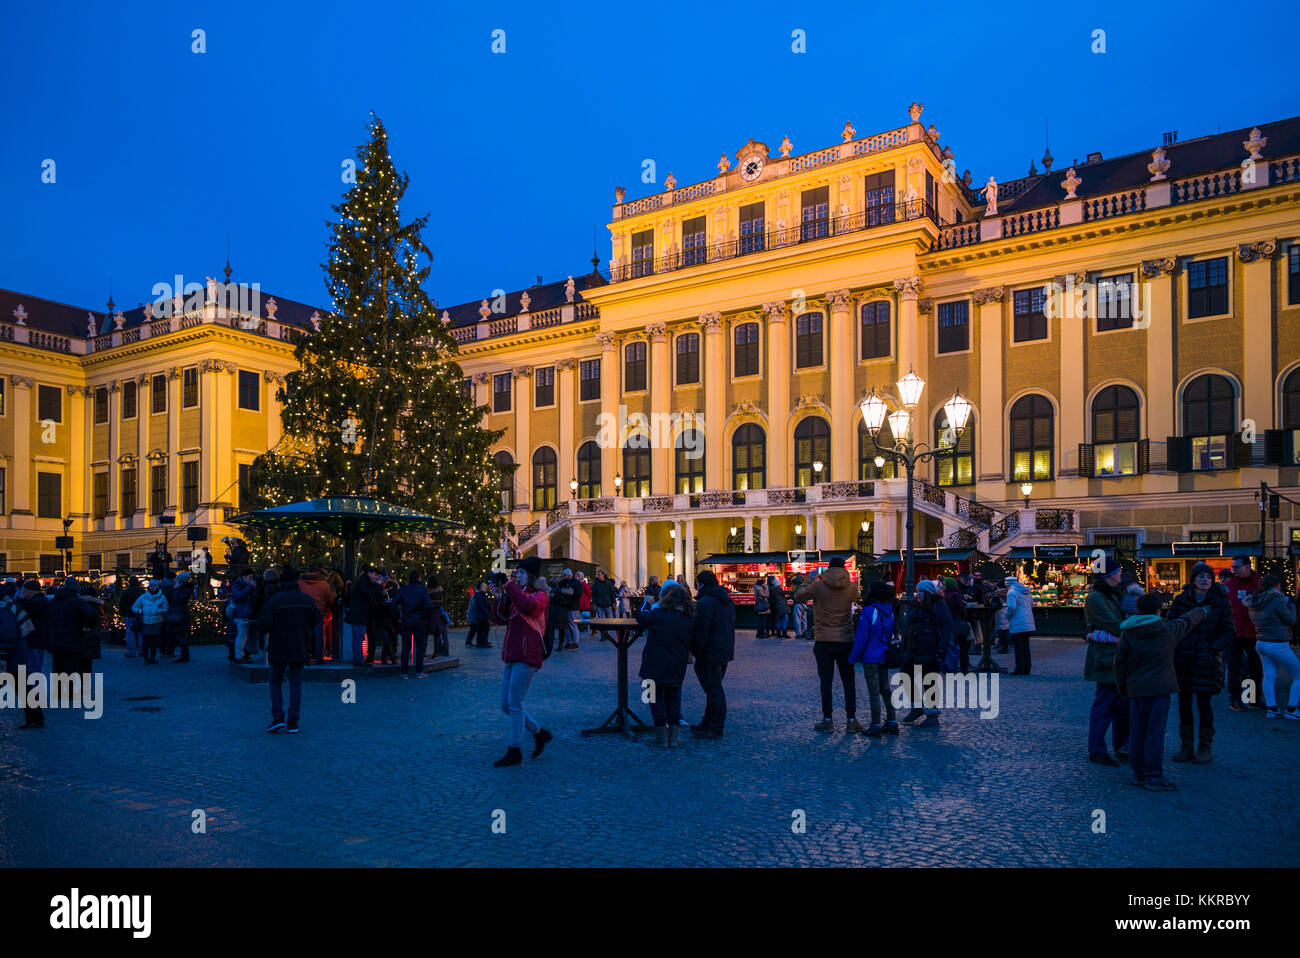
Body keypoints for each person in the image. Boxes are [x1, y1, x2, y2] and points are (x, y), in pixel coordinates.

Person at [1115, 591, 1208, 791]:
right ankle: (1154, 776)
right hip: (1159, 689)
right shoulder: (1167, 631)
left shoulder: (1128, 633)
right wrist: (1202, 610)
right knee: (1155, 733)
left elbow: (1120, 663)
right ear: (1159, 611)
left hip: (1136, 689)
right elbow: (1187, 622)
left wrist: (1123, 688)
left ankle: (1138, 772)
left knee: (1138, 731)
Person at [1168, 561, 1235, 764]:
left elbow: (1229, 630)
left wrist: (1213, 647)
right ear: (1193, 580)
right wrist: (1178, 645)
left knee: (1205, 704)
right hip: (1184, 659)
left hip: (1207, 660)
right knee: (1184, 704)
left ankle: (1205, 748)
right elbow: (1170, 625)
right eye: (1201, 576)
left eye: (1208, 576)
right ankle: (1186, 746)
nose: (1205, 579)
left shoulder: (1220, 601)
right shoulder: (1181, 601)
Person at [493, 556, 552, 766]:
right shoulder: (518, 594)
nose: (518, 577)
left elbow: (529, 607)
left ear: (532, 575)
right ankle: (539, 732)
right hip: (512, 653)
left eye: (522, 573)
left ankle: (514, 750)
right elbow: (500, 618)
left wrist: (510, 587)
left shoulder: (541, 595)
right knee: (506, 705)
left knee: (515, 704)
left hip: (528, 654)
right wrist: (499, 596)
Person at [794, 556, 862, 732]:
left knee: (826, 682)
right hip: (845, 639)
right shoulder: (851, 586)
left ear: (828, 568)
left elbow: (799, 597)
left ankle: (828, 719)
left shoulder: (818, 585)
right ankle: (851, 720)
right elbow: (858, 597)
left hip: (824, 640)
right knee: (849, 682)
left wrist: (807, 580)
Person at [258, 567, 320, 734]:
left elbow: (263, 624)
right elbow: (316, 620)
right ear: (297, 581)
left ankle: (278, 717)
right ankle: (293, 721)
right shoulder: (307, 600)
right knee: (296, 684)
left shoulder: (275, 600)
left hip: (278, 646)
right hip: (300, 646)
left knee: (275, 682)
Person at [636, 578, 694, 747]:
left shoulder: (659, 614)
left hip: (653, 664)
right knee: (674, 698)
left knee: (653, 699)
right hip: (677, 665)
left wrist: (646, 603)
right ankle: (674, 739)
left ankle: (660, 736)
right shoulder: (688, 617)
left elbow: (641, 617)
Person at [1082, 560, 1129, 765]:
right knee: (1104, 705)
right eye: (1118, 572)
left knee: (1121, 705)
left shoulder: (1112, 594)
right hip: (1106, 657)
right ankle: (1097, 749)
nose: (1121, 575)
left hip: (1116, 657)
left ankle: (1122, 745)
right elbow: (1113, 624)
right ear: (1109, 575)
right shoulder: (1096, 598)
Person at [1244, 575, 1300, 718]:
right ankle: (1292, 710)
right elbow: (1291, 620)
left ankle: (1272, 708)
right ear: (1276, 586)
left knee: (1269, 676)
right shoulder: (1277, 600)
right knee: (1298, 675)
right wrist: (1292, 605)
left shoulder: (1254, 601)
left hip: (1261, 642)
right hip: (1278, 643)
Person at [900, 579, 953, 727]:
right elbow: (908, 626)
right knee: (906, 677)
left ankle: (932, 714)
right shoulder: (914, 605)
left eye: (922, 591)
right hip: (912, 649)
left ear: (928, 593)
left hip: (930, 648)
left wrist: (941, 647)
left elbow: (947, 626)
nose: (919, 594)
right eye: (918, 591)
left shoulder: (938, 605)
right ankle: (916, 707)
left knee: (929, 681)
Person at [690, 570, 735, 739]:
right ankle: (707, 723)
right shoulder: (726, 601)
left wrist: (696, 650)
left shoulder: (706, 603)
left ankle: (715, 726)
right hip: (724, 651)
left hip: (709, 652)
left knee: (714, 691)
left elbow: (702, 630)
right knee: (713, 689)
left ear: (701, 584)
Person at [850, 580, 899, 737]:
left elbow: (861, 637)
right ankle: (892, 720)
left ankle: (875, 724)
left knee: (874, 692)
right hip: (883, 654)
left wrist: (853, 658)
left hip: (871, 657)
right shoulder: (889, 610)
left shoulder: (869, 611)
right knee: (885, 689)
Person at [1223, 555, 1264, 710]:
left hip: (1255, 633)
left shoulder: (1259, 584)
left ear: (1248, 566)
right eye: (1232, 567)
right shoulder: (1228, 585)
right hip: (1234, 633)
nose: (1234, 570)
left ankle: (1252, 697)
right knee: (1234, 668)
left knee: (1255, 668)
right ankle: (1235, 699)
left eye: (1237, 567)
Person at [395, 571, 433, 678]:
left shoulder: (403, 590)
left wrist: (398, 617)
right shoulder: (422, 590)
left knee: (405, 648)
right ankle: (419, 671)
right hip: (418, 621)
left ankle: (404, 672)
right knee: (420, 647)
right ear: (419, 578)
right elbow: (429, 605)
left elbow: (394, 604)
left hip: (406, 620)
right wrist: (423, 615)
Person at [298, 563, 337, 663]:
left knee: (305, 634)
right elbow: (330, 599)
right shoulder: (323, 583)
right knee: (318, 635)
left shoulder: (301, 582)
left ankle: (304, 656)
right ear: (318, 571)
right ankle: (319, 657)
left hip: (303, 611)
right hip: (318, 610)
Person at [132, 580, 171, 665]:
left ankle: (152, 657)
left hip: (157, 620)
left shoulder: (162, 597)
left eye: (154, 586)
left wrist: (158, 611)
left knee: (154, 639)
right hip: (146, 620)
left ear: (157, 587)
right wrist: (140, 611)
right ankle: (146, 658)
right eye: (151, 586)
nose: (153, 587)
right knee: (146, 640)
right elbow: (134, 607)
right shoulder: (143, 597)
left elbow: (166, 608)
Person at [1005, 574, 1036, 676]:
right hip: (1028, 621)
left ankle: (1019, 669)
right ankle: (1027, 668)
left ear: (1008, 584)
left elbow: (1011, 607)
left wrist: (1007, 616)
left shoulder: (1011, 592)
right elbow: (1031, 604)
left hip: (1017, 621)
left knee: (1018, 647)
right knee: (1025, 646)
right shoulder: (1026, 591)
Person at [943, 576, 972, 672]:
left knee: (952, 646)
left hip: (949, 623)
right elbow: (961, 609)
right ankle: (964, 667)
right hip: (958, 622)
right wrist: (965, 617)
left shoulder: (944, 595)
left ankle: (952, 666)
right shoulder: (955, 594)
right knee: (963, 646)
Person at [232, 572, 259, 663]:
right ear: (243, 577)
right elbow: (240, 596)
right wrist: (250, 587)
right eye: (249, 577)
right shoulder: (237, 586)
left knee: (245, 636)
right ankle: (239, 656)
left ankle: (243, 655)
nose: (251, 579)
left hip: (247, 614)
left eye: (252, 577)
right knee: (242, 636)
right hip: (242, 614)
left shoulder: (245, 586)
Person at [552, 569, 580, 650]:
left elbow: (578, 594)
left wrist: (567, 593)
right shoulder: (566, 582)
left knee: (573, 625)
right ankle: (568, 642)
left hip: (573, 607)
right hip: (566, 606)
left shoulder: (575, 583)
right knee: (566, 626)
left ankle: (575, 642)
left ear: (569, 575)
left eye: (565, 575)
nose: (564, 577)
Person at [118, 575, 145, 658]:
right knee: (141, 633)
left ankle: (131, 652)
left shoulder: (125, 592)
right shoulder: (142, 591)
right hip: (140, 614)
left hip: (129, 614)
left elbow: (121, 604)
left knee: (130, 633)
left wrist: (122, 613)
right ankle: (142, 651)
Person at [170, 571, 194, 663]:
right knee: (181, 635)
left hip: (181, 614)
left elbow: (178, 599)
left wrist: (176, 589)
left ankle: (185, 656)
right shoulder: (186, 588)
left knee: (181, 635)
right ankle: (184, 655)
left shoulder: (184, 589)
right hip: (181, 613)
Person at [426, 575, 449, 658]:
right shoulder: (439, 592)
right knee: (437, 635)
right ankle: (436, 652)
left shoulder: (426, 593)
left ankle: (424, 652)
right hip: (437, 615)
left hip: (428, 615)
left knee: (426, 635)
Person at [466, 581, 493, 648]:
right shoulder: (478, 595)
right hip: (477, 615)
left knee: (477, 629)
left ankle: (482, 641)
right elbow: (477, 606)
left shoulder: (480, 594)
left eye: (485, 586)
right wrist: (486, 613)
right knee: (476, 629)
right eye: (483, 586)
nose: (485, 588)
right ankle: (474, 642)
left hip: (478, 615)